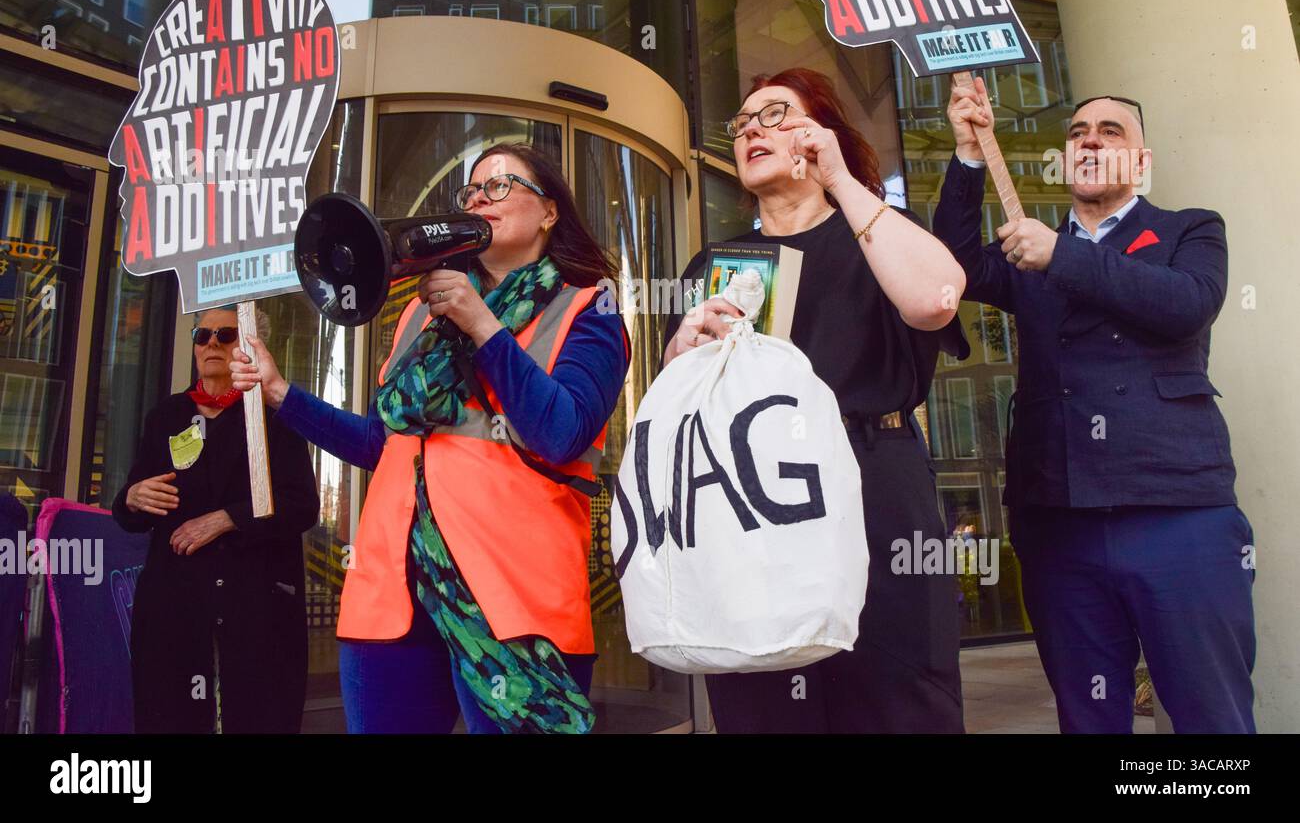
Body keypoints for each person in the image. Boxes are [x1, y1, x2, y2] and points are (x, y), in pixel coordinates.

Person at [232, 143, 631, 734]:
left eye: (499, 186)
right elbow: (382, 444)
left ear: (549, 212)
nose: (478, 199)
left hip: (513, 606)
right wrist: (280, 394)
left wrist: (484, 326)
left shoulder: (588, 310)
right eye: (471, 191)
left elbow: (563, 433)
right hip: (392, 602)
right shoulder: (421, 318)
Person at [933, 76, 1254, 733]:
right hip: (1059, 520)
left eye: (1112, 132)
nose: (1090, 139)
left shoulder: (1190, 230)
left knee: (1210, 718)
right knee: (1088, 718)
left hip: (1178, 513)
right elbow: (954, 262)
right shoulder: (1028, 250)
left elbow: (1185, 305)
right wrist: (968, 156)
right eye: (1078, 132)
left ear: (1141, 162)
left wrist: (1064, 255)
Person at [663, 68, 969, 733]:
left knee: (899, 695)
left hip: (873, 481)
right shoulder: (718, 262)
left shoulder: (882, 230)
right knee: (766, 701)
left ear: (819, 131)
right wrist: (683, 345)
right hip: (753, 500)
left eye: (774, 114)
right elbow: (680, 404)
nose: (750, 131)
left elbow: (932, 300)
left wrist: (843, 183)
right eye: (742, 124)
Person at [112, 307, 320, 733]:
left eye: (225, 335)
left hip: (253, 605)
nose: (210, 343)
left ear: (247, 347)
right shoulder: (167, 416)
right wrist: (132, 498)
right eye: (201, 334)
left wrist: (229, 518)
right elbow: (133, 507)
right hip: (177, 607)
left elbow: (302, 505)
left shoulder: (274, 416)